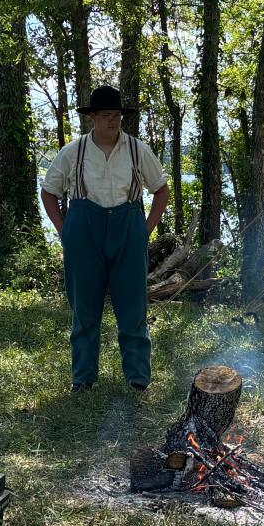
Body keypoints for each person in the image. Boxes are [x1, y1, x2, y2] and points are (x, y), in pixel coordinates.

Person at [41, 85, 170, 393]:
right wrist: (65, 232)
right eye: (106, 115)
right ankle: (83, 379)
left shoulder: (138, 149)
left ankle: (138, 379)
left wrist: (145, 230)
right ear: (93, 118)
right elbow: (48, 192)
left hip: (128, 229)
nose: (113, 121)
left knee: (133, 308)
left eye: (117, 115)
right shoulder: (73, 151)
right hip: (84, 232)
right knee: (84, 309)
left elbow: (160, 189)